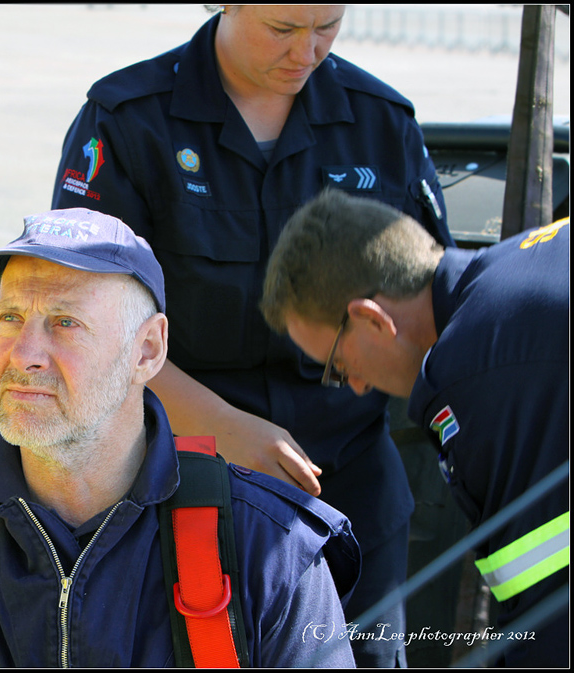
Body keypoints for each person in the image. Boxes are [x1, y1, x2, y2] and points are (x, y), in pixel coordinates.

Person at [51, 5, 455, 666]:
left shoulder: (381, 122)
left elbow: (431, 308)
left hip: (349, 498)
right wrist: (218, 426)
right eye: (283, 28)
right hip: (177, 489)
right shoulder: (128, 120)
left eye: (327, 26)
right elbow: (82, 321)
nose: (307, 51)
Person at [0, 207, 361, 668]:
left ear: (147, 351)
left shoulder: (270, 553)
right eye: (10, 316)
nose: (24, 353)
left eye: (65, 322)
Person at [260, 188, 569, 668]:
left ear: (371, 318)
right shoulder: (521, 265)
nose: (357, 387)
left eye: (340, 365)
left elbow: (549, 612)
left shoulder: (469, 373)